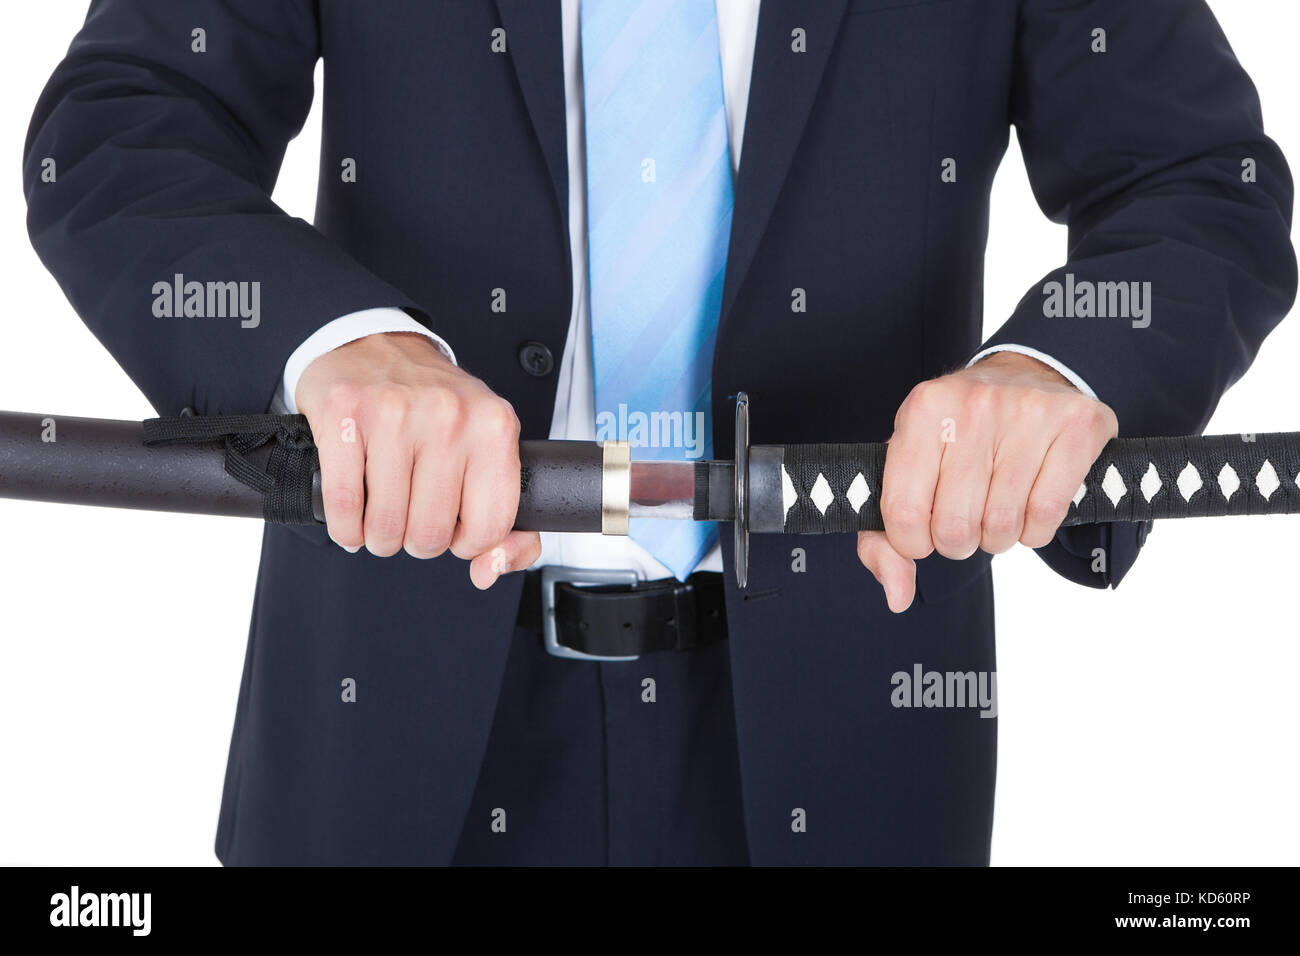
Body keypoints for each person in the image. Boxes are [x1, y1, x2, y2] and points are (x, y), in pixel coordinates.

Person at [24, 0, 1295, 865]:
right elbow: (125, 128)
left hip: (848, 734)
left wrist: (1051, 364)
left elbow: (1194, 182)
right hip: (385, 731)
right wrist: (338, 340)